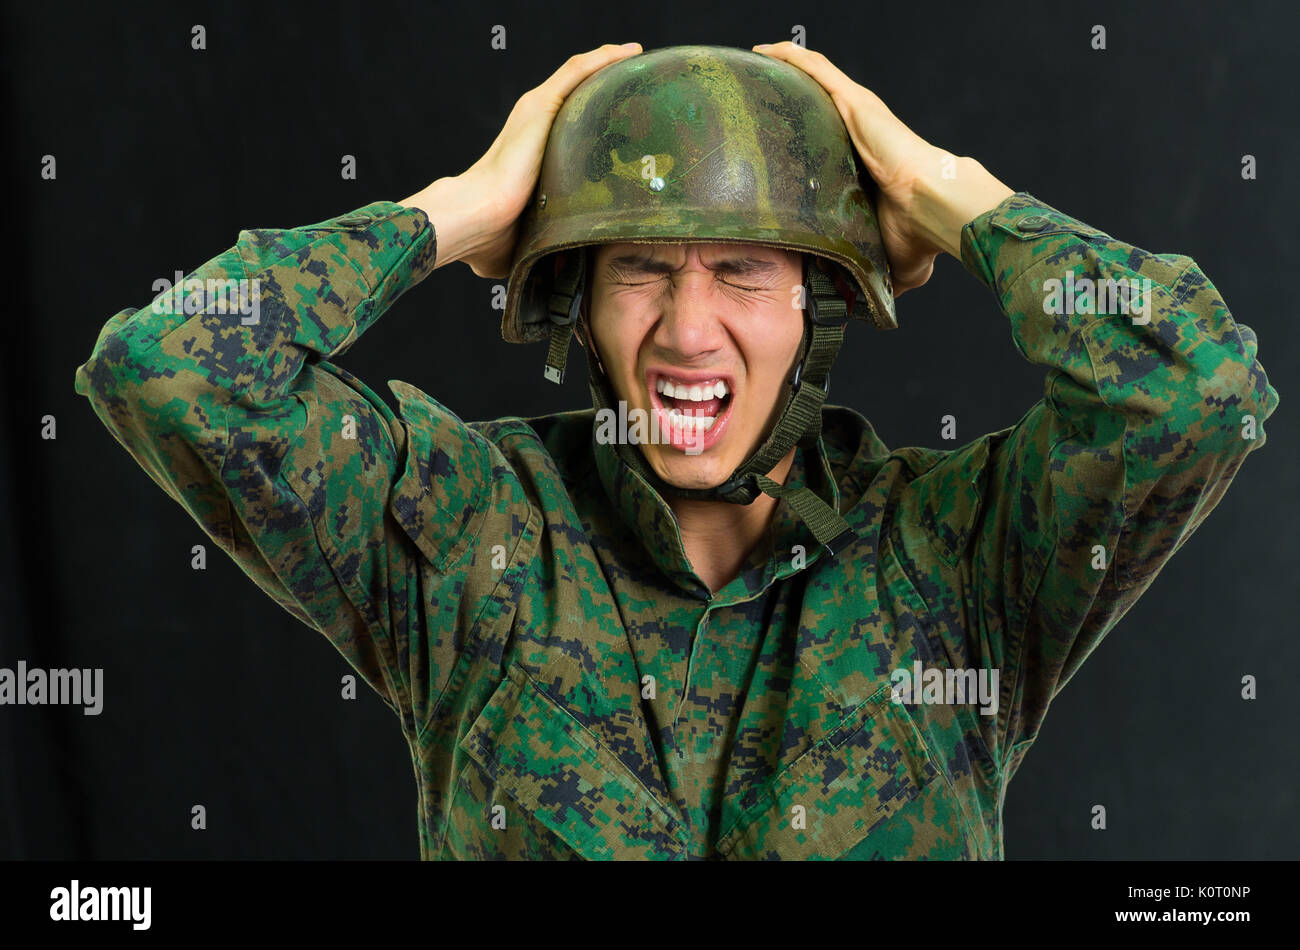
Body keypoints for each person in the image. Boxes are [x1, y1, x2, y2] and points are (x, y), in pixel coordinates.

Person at [74, 41, 1277, 860]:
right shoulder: (469, 535)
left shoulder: (953, 562)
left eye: (746, 271)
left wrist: (946, 192)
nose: (686, 328)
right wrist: (451, 211)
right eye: (638, 268)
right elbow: (167, 368)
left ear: (821, 308)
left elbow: (1196, 391)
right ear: (577, 309)